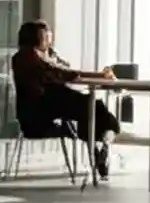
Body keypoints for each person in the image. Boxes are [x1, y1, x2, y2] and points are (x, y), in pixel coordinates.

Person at [11, 21, 121, 179]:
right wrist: (99, 75)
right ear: (36, 37)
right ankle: (104, 141)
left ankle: (101, 144)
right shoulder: (28, 57)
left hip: (51, 106)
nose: (49, 38)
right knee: (93, 109)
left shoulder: (41, 55)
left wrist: (52, 56)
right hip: (38, 115)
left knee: (92, 110)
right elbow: (62, 73)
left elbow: (64, 68)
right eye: (45, 35)